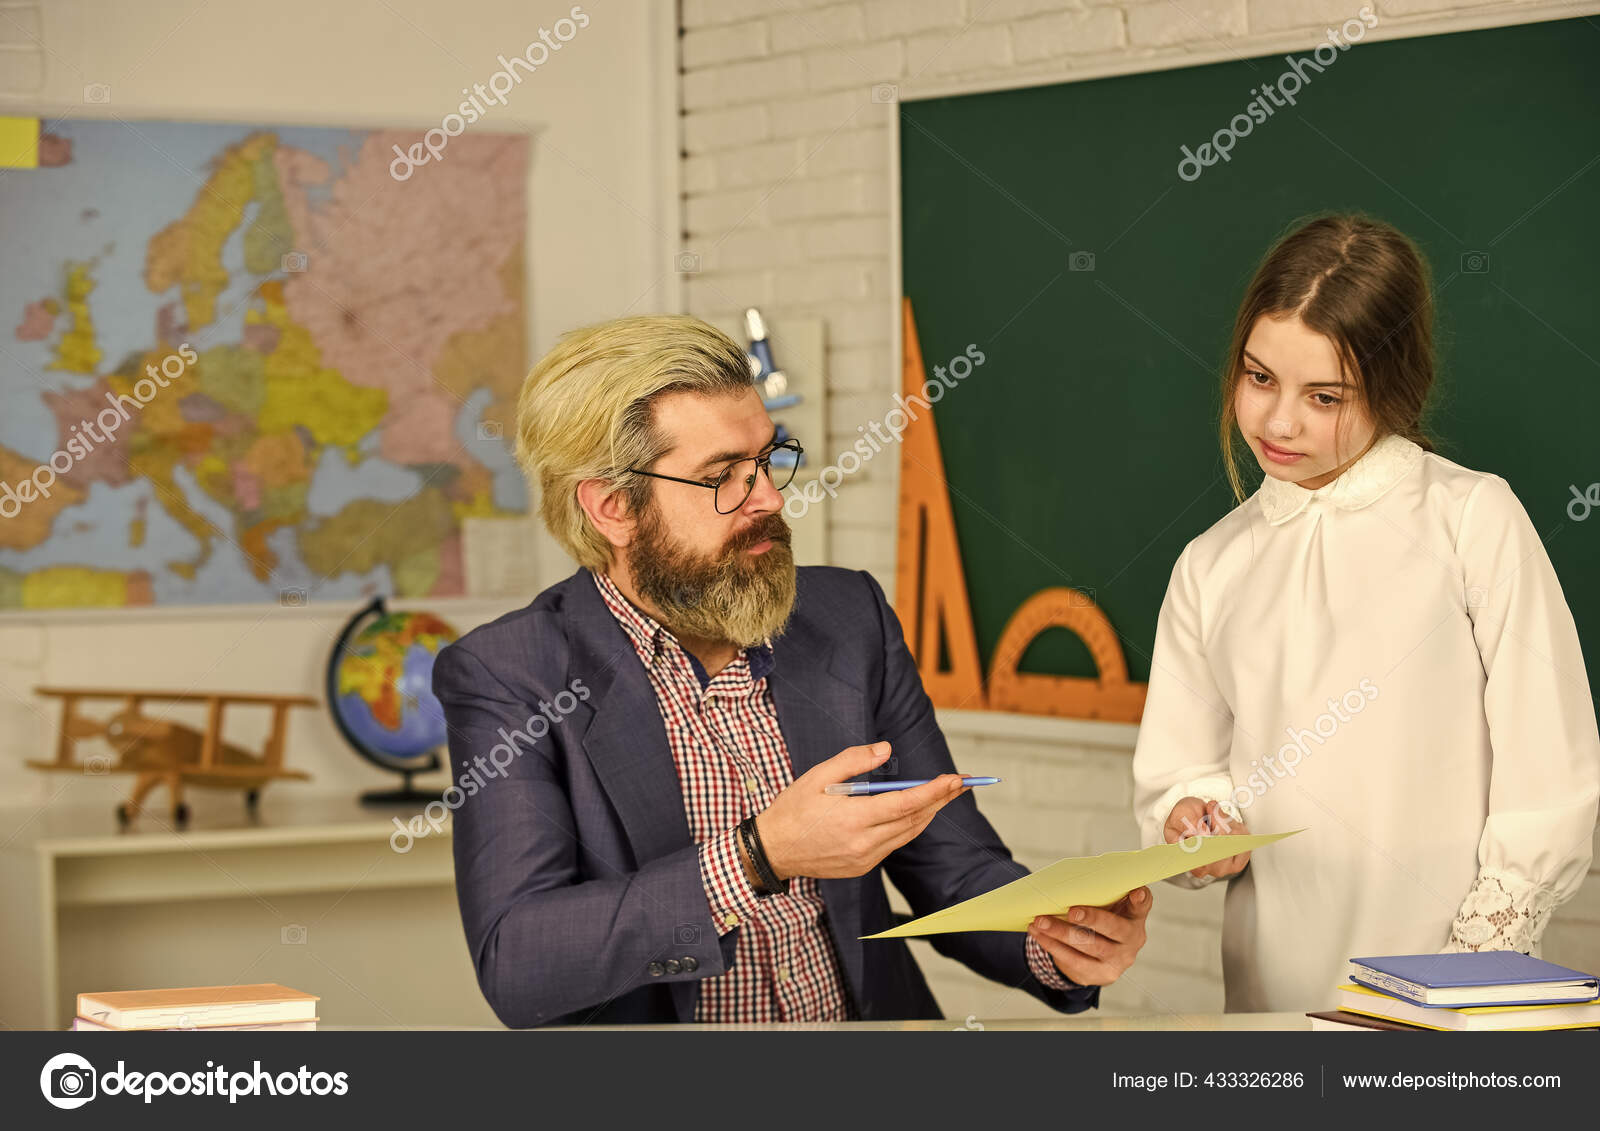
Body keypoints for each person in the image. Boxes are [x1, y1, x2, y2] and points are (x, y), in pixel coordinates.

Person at [436, 314, 1151, 1027]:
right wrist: (759, 856)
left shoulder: (849, 617)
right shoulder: (510, 674)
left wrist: (1056, 942)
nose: (771, 499)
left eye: (768, 460)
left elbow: (953, 869)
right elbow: (519, 961)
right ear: (613, 507)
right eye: (722, 478)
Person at [1132, 213, 1600, 1012]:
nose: (1280, 423)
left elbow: (1550, 779)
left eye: (1325, 396)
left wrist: (1458, 984)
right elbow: (1182, 771)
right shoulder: (1211, 564)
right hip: (1271, 991)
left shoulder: (1471, 520)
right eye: (1258, 378)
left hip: (1452, 990)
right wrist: (1193, 825)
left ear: (1392, 384)